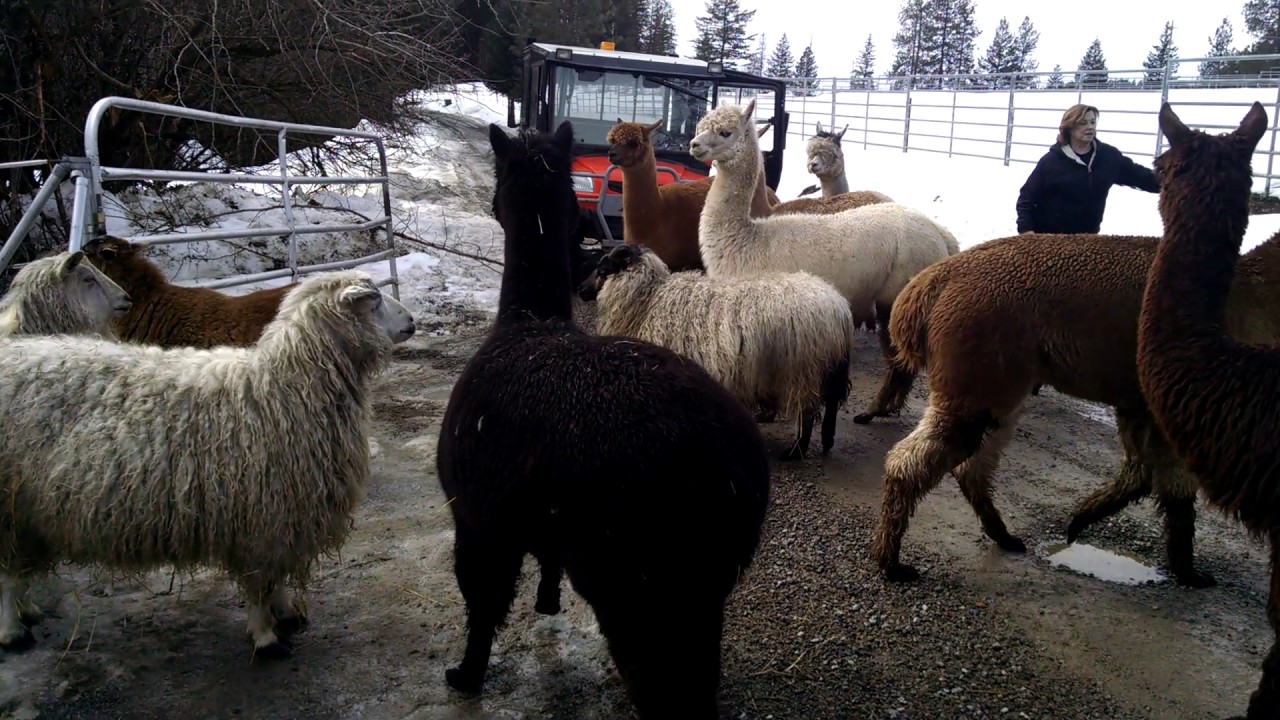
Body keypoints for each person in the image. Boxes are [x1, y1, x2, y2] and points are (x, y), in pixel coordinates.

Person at [1015, 104, 1160, 234]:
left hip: (1088, 242)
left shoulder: (1109, 157)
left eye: (1092, 122)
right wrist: (1027, 232)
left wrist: (1175, 179)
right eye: (1082, 123)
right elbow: (1026, 199)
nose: (1090, 127)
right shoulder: (1051, 162)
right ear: (1069, 128)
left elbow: (1142, 177)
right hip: (1049, 240)